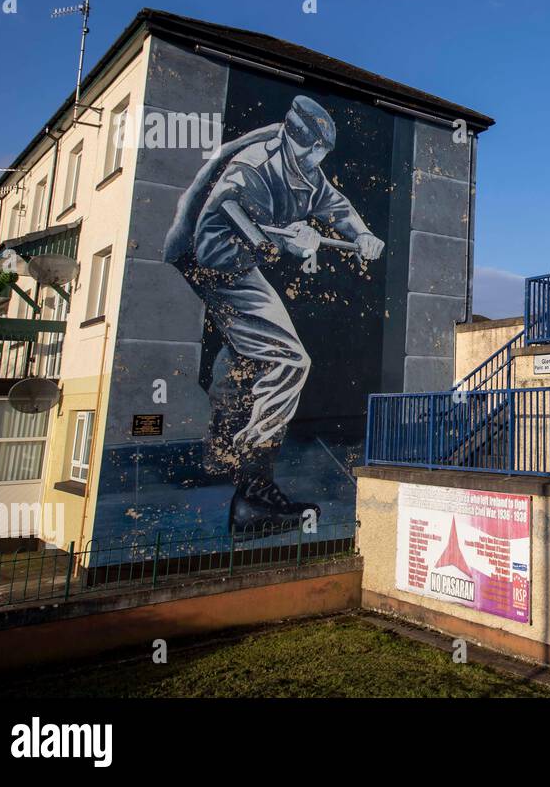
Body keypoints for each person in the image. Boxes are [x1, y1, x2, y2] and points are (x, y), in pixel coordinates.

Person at [163, 95, 385, 530]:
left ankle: (222, 450)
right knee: (289, 359)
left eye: (317, 154)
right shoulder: (251, 172)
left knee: (248, 351)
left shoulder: (302, 167)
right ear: (293, 137)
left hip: (238, 261)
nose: (311, 160)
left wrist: (362, 234)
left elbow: (334, 206)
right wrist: (281, 242)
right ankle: (253, 494)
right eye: (307, 150)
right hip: (213, 261)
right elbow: (215, 244)